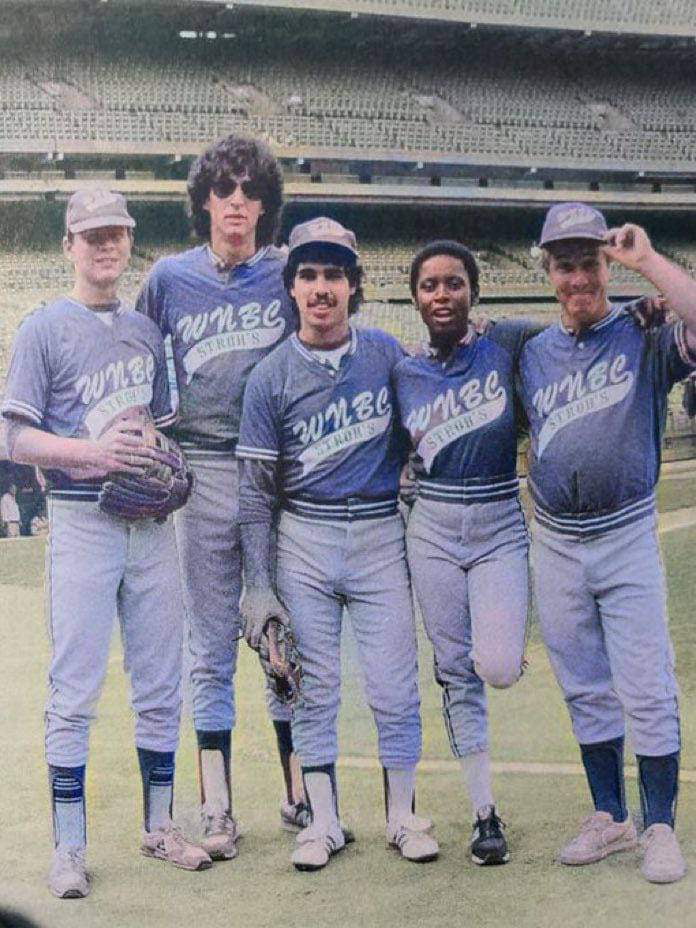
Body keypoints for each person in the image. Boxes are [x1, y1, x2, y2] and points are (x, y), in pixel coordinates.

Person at [1, 188, 210, 899]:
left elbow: (161, 428)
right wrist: (91, 453)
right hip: (80, 519)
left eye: (116, 233)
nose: (105, 246)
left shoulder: (147, 332)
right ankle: (69, 848)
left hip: (148, 526)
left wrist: (159, 458)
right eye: (91, 235)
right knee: (75, 687)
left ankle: (161, 825)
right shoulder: (44, 328)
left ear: (128, 242)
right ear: (68, 245)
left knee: (161, 681)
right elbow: (14, 436)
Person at [237, 217, 438, 871]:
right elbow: (254, 494)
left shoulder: (386, 353)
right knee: (314, 687)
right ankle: (323, 820)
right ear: (291, 288)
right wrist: (258, 585)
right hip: (304, 535)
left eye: (333, 274)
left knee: (394, 682)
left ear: (354, 285)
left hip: (379, 530)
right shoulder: (270, 376)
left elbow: (434, 405)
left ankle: (403, 815)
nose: (321, 287)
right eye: (308, 275)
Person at [518, 202, 696, 884]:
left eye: (588, 263)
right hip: (557, 541)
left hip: (625, 534)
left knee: (647, 685)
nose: (578, 278)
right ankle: (611, 817)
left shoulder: (643, 334)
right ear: (549, 273)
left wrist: (645, 260)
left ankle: (659, 826)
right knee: (585, 686)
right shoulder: (532, 351)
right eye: (564, 265)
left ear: (605, 265)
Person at [136, 134, 302, 860]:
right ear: (204, 200)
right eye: (224, 189)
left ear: (265, 206)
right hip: (200, 469)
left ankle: (299, 793)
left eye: (250, 191)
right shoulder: (169, 278)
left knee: (282, 634)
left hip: (274, 471)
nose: (237, 202)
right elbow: (136, 360)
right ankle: (217, 807)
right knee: (208, 645)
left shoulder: (289, 271)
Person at [393, 241, 540, 865]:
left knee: (499, 666)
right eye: (429, 285)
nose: (442, 294)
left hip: (499, 516)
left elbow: (569, 329)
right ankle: (485, 813)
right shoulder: (403, 371)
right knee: (456, 671)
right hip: (432, 525)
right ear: (415, 298)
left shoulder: (503, 343)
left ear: (474, 292)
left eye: (454, 283)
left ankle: (498, 645)